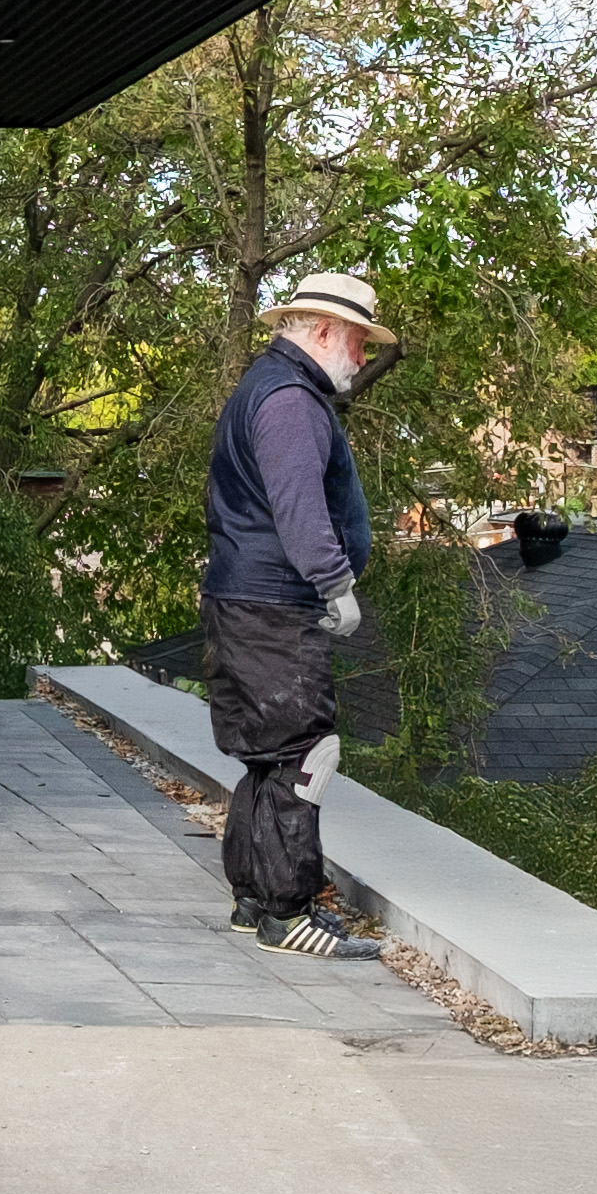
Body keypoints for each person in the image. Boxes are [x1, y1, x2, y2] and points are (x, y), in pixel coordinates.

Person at [200, 269, 393, 956]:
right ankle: (287, 912)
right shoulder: (287, 399)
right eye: (357, 341)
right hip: (273, 604)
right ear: (320, 330)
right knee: (307, 753)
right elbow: (297, 504)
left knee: (269, 754)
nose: (363, 357)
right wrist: (335, 583)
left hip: (245, 598)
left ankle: (253, 901)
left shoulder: (268, 386)